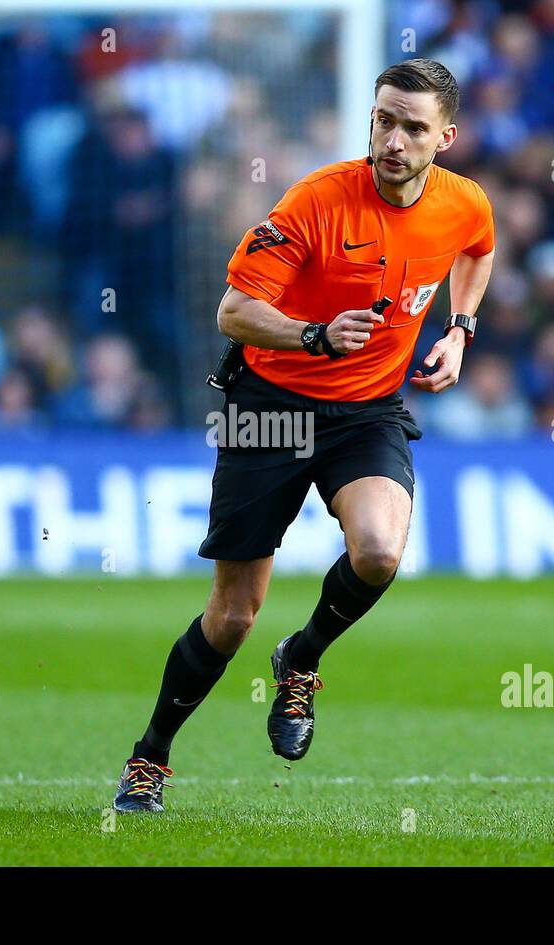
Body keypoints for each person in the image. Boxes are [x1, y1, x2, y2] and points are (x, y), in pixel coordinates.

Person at [112, 59, 496, 812]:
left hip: (366, 412)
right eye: (384, 119)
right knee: (231, 617)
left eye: (413, 127)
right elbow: (234, 312)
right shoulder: (317, 201)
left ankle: (302, 659)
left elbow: (478, 250)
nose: (392, 139)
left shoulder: (463, 203)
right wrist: (315, 334)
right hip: (271, 406)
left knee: (380, 552)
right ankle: (150, 757)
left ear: (444, 138)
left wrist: (460, 329)